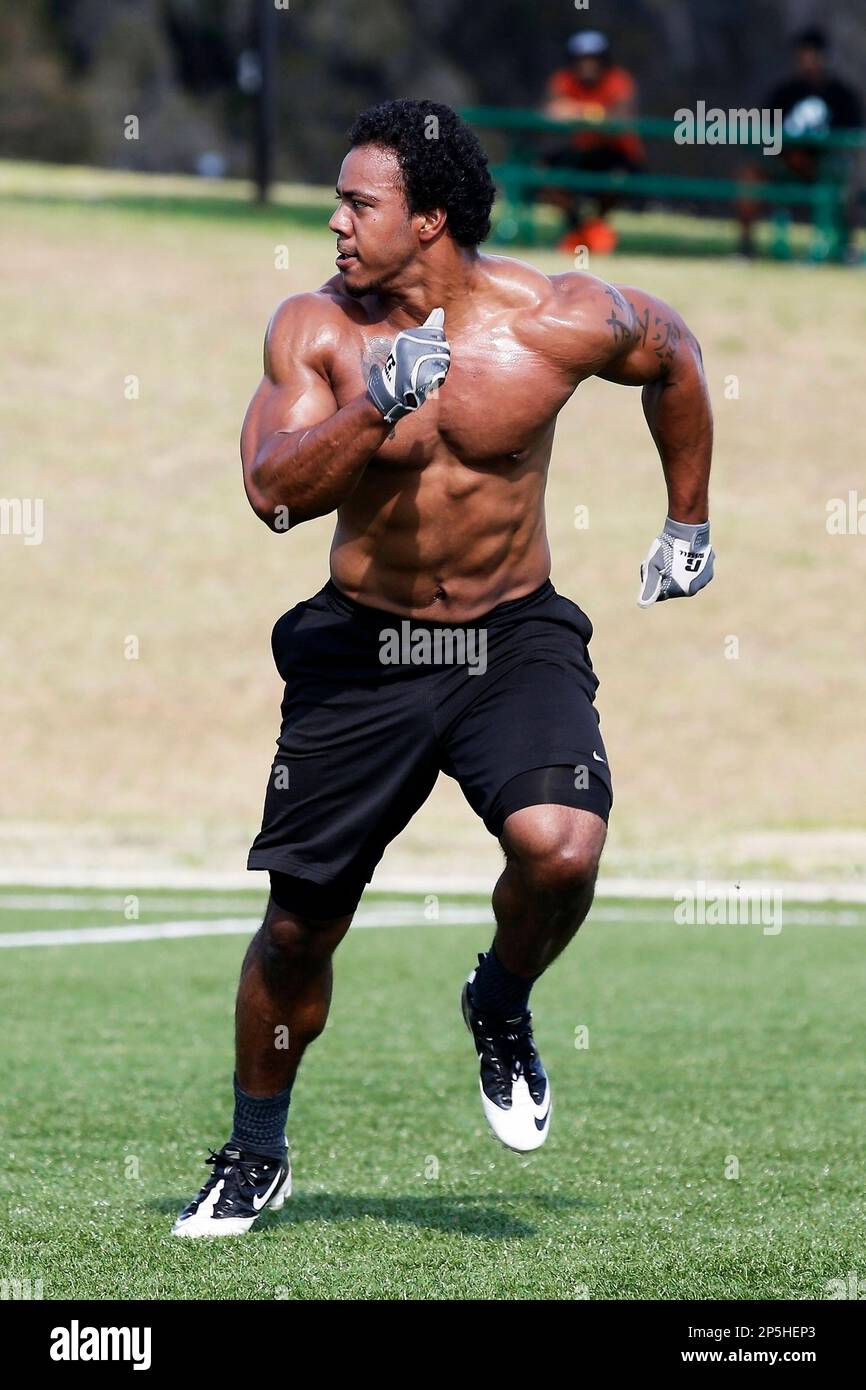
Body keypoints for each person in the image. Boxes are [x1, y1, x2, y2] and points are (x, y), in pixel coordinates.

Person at [172, 100, 714, 1237]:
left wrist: (686, 522)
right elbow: (274, 487)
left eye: (357, 203)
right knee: (295, 930)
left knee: (560, 850)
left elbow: (673, 355)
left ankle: (500, 999)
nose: (333, 221)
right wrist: (377, 403)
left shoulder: (554, 318)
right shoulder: (316, 329)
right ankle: (256, 1153)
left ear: (427, 221)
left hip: (506, 638)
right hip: (362, 650)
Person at [736, 26, 862, 258]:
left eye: (812, 57)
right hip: (785, 164)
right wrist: (788, 154)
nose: (807, 63)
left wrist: (814, 155)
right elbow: (766, 132)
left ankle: (847, 249)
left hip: (826, 166)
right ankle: (746, 249)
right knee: (750, 177)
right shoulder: (785, 93)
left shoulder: (842, 96)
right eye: (802, 57)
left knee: (848, 183)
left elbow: (851, 138)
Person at [542, 30, 646, 254]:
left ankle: (588, 232)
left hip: (615, 152)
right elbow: (552, 111)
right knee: (544, 171)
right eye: (582, 60)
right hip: (583, 151)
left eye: (593, 60)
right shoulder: (565, 80)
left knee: (616, 181)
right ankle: (580, 231)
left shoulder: (618, 81)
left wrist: (582, 112)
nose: (587, 66)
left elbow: (620, 119)